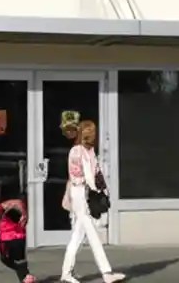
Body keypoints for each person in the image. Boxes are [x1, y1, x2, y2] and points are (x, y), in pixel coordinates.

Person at [60, 120, 124, 283]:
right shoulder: (82, 152)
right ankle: (106, 272)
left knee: (78, 235)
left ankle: (67, 272)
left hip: (79, 192)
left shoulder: (78, 150)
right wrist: (99, 190)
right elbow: (89, 176)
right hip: (82, 194)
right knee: (92, 234)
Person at [0, 193, 35, 283]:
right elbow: (23, 220)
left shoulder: (2, 208)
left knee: (7, 259)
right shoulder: (16, 207)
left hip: (9, 239)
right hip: (18, 237)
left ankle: (25, 275)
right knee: (19, 261)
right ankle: (25, 275)